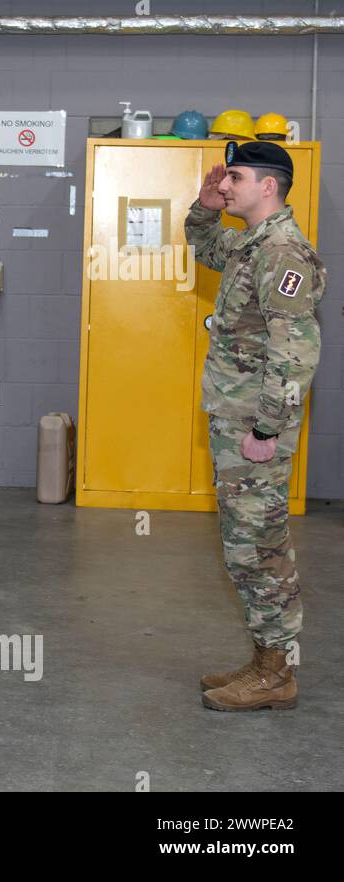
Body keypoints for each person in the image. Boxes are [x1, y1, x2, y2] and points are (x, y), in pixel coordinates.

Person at [187, 140, 326, 712]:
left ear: (268, 186)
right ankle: (265, 659)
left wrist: (266, 432)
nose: (227, 186)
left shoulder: (284, 254)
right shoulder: (252, 243)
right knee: (245, 547)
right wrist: (202, 206)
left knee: (260, 549)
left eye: (235, 178)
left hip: (255, 429)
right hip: (237, 421)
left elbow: (296, 354)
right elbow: (205, 245)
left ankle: (276, 675)